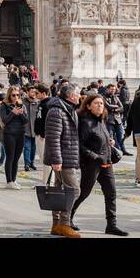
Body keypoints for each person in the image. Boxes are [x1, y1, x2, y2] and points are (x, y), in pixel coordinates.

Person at [72, 92, 126, 236]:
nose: (100, 105)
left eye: (101, 103)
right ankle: (67, 218)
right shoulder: (84, 122)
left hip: (107, 163)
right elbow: (80, 145)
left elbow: (102, 138)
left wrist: (110, 142)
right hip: (92, 164)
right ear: (88, 106)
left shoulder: (103, 120)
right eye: (96, 103)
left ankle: (111, 225)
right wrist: (95, 157)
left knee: (111, 193)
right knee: (83, 192)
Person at [43, 82, 82, 238]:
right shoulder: (57, 111)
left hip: (67, 155)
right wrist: (57, 160)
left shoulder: (68, 108)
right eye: (78, 93)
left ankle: (56, 224)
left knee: (60, 190)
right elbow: (53, 138)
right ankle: (64, 224)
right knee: (74, 190)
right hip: (63, 158)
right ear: (71, 96)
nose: (80, 96)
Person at [0, 86, 29, 188]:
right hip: (9, 133)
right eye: (13, 95)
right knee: (10, 157)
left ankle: (14, 180)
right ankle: (9, 181)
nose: (16, 97)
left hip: (20, 133)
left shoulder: (22, 105)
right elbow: (4, 120)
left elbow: (25, 120)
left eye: (18, 95)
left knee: (16, 158)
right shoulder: (3, 106)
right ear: (9, 95)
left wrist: (21, 113)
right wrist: (13, 113)